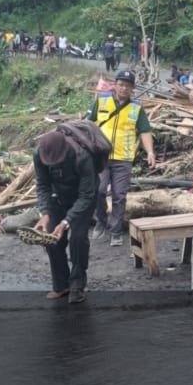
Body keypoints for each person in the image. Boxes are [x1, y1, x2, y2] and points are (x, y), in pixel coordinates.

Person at [87, 70, 155, 247]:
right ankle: (101, 221)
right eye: (121, 84)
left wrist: (150, 152)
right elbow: (89, 123)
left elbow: (145, 131)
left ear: (132, 88)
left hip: (123, 158)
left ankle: (115, 231)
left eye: (128, 85)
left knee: (119, 195)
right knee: (99, 191)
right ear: (115, 85)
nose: (124, 88)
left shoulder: (136, 107)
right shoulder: (102, 100)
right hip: (101, 156)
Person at [32, 131, 99, 304]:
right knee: (51, 239)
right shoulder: (38, 153)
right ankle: (61, 285)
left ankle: (77, 286)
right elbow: (43, 184)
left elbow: (86, 195)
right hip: (58, 196)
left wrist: (65, 221)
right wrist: (45, 213)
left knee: (78, 239)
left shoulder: (82, 157)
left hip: (84, 196)